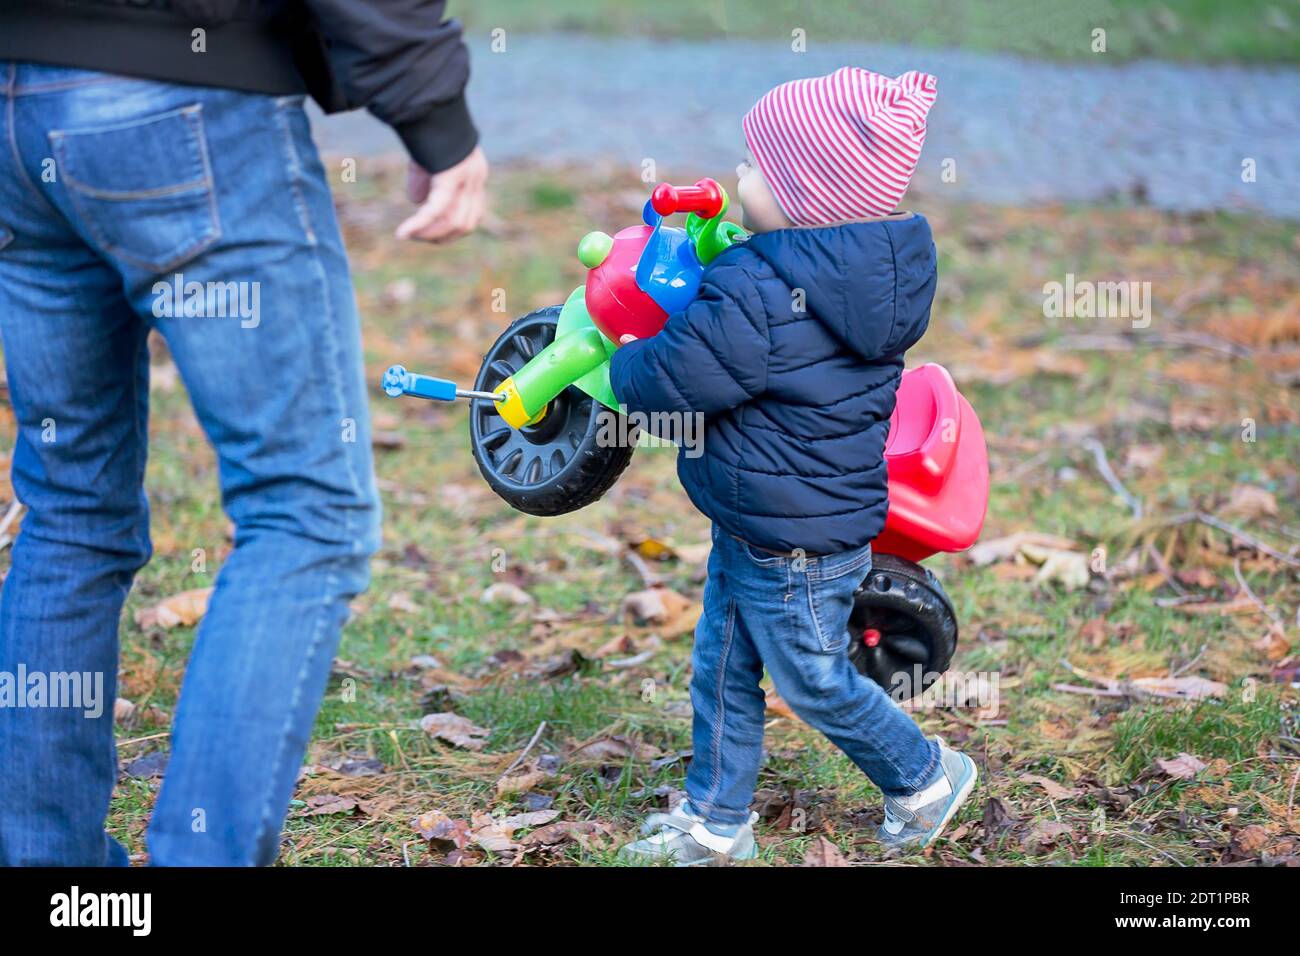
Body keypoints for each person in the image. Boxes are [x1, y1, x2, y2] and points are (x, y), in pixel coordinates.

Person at [0, 0, 486, 866]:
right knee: (307, 515)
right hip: (187, 98)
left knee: (70, 509)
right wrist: (433, 113)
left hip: (14, 102)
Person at [610, 67, 977, 865]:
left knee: (811, 679)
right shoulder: (863, 276)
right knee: (721, 665)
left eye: (756, 167)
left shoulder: (758, 285)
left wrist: (622, 367)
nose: (739, 178)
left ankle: (926, 777)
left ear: (803, 191)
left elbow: (681, 376)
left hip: (790, 538)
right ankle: (715, 819)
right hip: (772, 516)